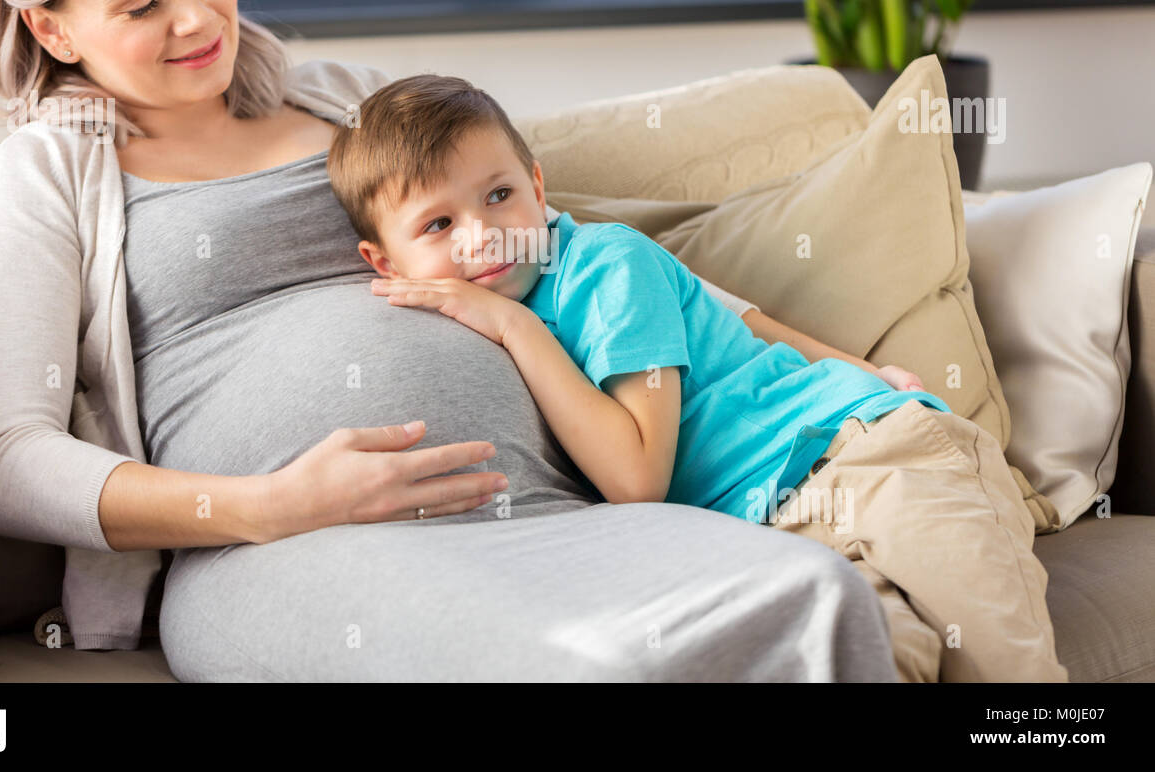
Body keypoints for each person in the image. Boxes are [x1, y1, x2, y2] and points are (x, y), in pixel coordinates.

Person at [0, 0, 901, 680]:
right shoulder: (42, 180)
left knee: (816, 600)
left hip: (556, 507)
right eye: (142, 2)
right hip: (292, 547)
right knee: (584, 666)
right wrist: (265, 505)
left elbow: (578, 257)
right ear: (51, 26)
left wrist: (843, 362)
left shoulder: (350, 101)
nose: (198, 17)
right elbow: (9, 461)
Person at [327, 72, 1070, 683]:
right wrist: (866, 365)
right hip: (776, 529)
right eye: (438, 225)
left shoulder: (601, 267)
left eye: (499, 196)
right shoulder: (485, 310)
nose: (484, 234)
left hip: (874, 458)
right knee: (877, 660)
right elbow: (743, 320)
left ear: (538, 185)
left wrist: (515, 330)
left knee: (1008, 684)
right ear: (384, 264)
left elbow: (636, 478)